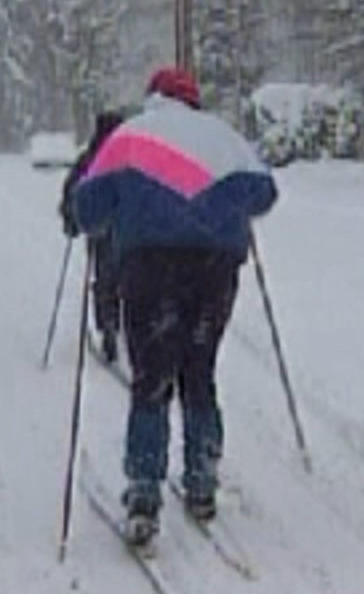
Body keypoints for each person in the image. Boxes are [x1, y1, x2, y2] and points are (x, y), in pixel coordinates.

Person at [72, 67, 277, 545]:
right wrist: (220, 205)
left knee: (151, 380)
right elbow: (264, 193)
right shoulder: (225, 139)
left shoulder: (129, 137)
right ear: (193, 99)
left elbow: (88, 208)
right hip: (215, 270)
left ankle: (145, 494)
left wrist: (112, 215)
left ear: (154, 97)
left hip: (149, 269)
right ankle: (202, 479)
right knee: (199, 371)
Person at [60, 110, 126, 362]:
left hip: (101, 230)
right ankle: (132, 328)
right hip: (132, 231)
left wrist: (71, 220)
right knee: (130, 280)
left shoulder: (90, 158)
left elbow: (73, 191)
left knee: (105, 279)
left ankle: (109, 327)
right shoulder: (132, 156)